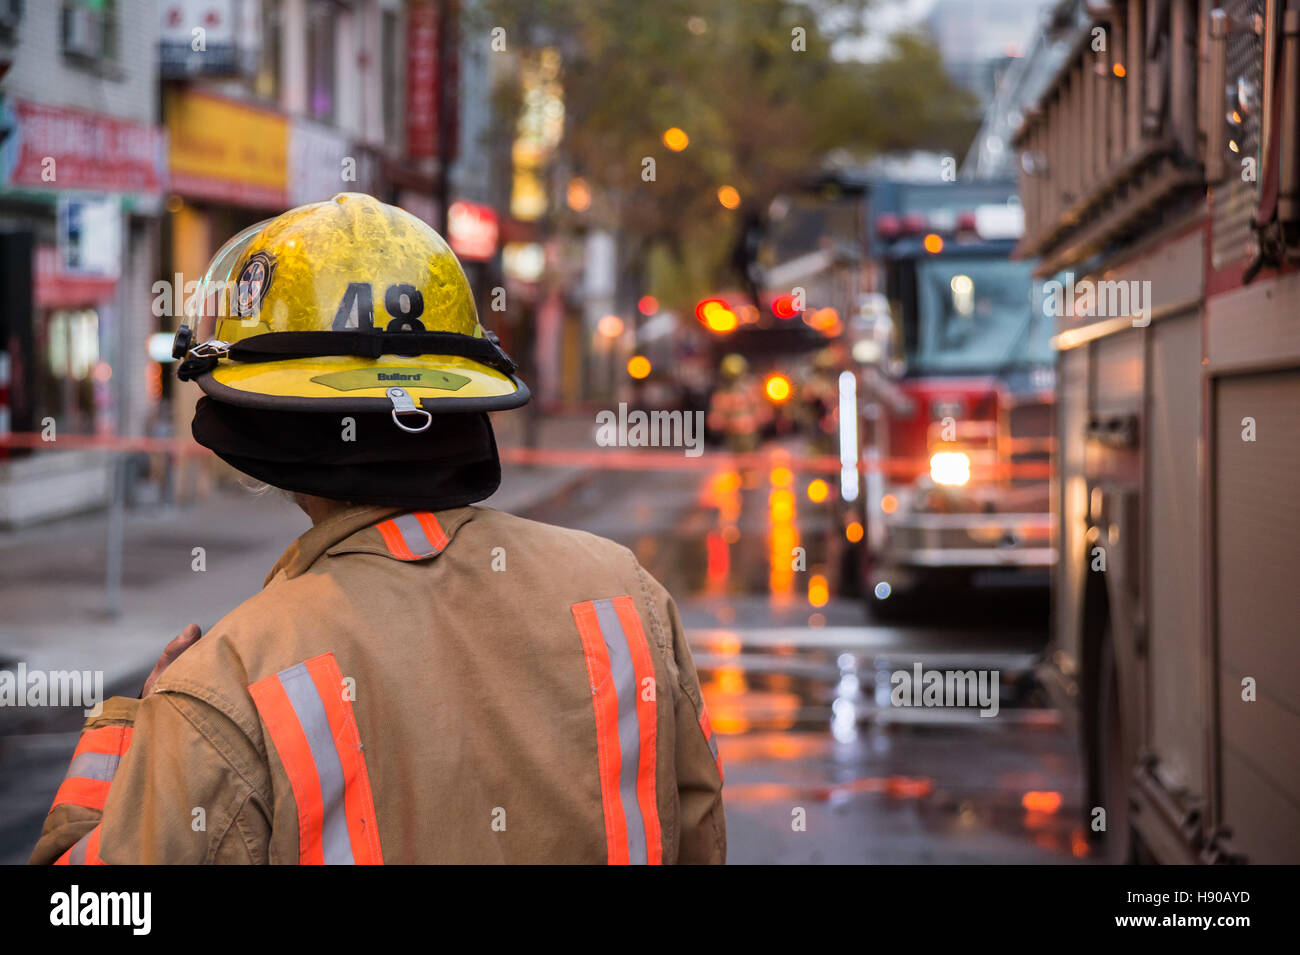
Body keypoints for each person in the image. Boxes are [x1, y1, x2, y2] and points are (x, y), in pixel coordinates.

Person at [31, 194, 725, 865]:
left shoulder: (224, 685)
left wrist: (134, 736)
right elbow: (698, 833)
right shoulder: (628, 601)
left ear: (264, 421)